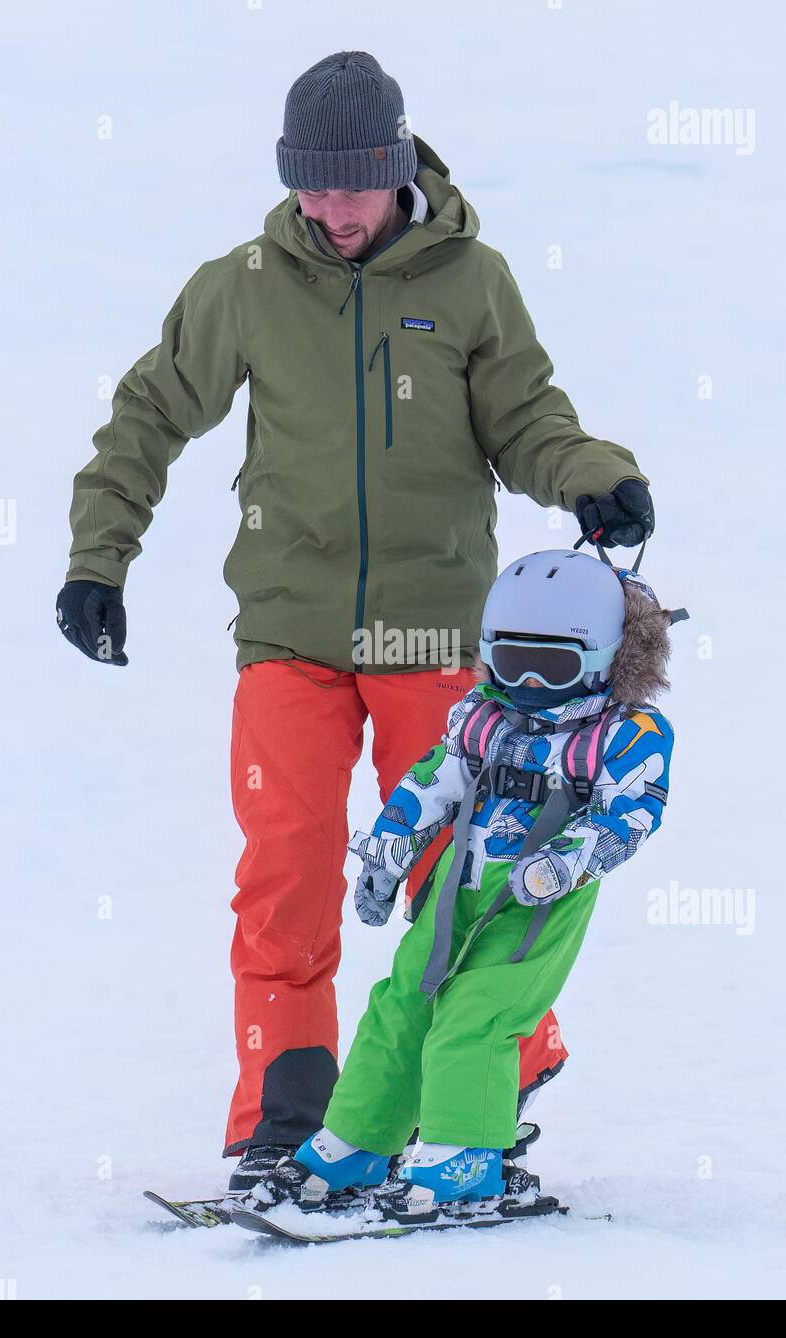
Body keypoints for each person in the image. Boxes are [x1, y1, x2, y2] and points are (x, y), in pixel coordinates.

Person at [55, 50, 657, 1192]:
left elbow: (528, 417)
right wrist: (99, 561)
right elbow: (146, 414)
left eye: (350, 184)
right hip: (288, 630)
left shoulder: (470, 280)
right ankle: (284, 1106)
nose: (328, 209)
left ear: (396, 168)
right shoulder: (241, 284)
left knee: (462, 859)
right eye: (307, 185)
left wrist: (587, 474)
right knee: (285, 868)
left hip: (432, 633)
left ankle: (494, 1072)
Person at [245, 549, 680, 1223]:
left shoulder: (624, 733)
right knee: (400, 1005)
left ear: (607, 657)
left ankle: (463, 1155)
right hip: (458, 888)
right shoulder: (481, 714)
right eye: (512, 661)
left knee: (475, 1018)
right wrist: (391, 850)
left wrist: (566, 861)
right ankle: (358, 1142)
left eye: (555, 664)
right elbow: (435, 780)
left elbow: (630, 811)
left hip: (537, 903)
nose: (530, 681)